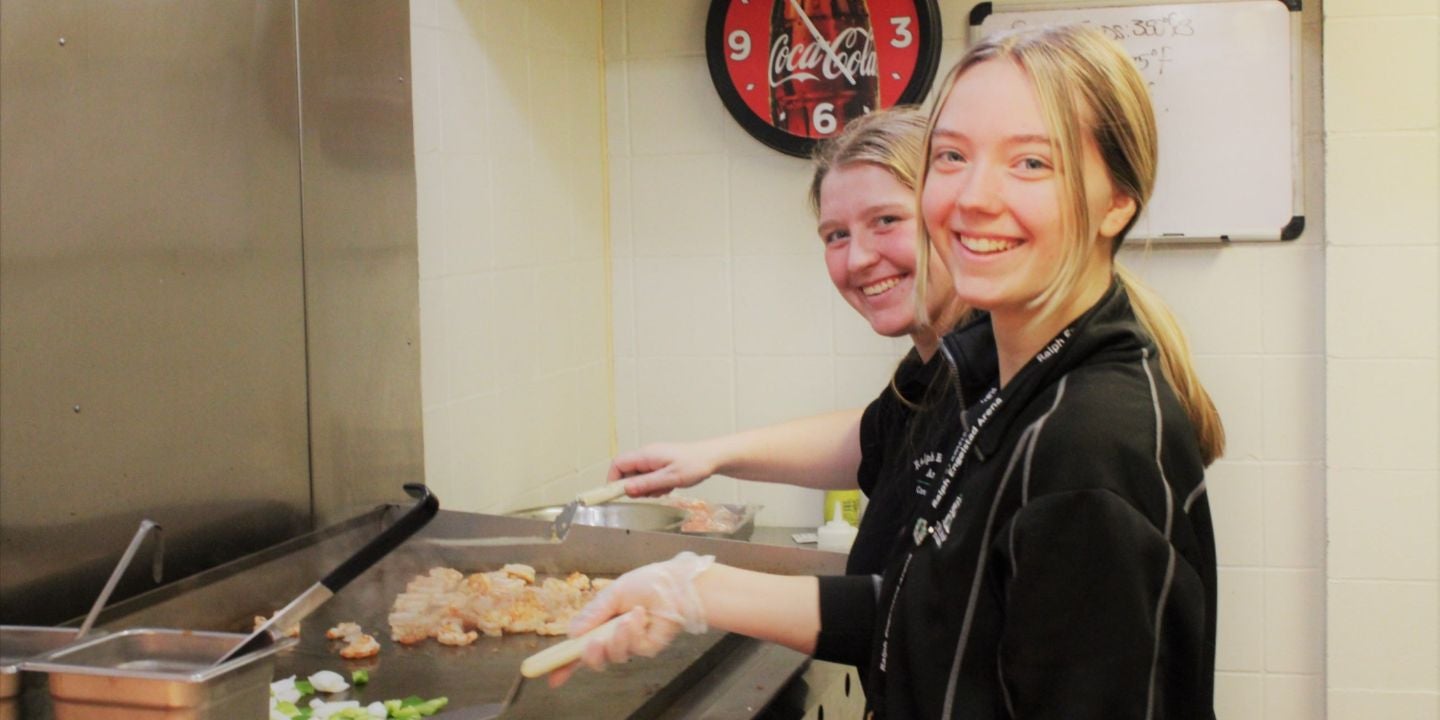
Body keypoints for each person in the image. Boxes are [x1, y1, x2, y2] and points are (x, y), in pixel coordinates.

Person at [555, 24, 1223, 719]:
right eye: (953, 156)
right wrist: (692, 589)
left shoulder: (1086, 447)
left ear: (1117, 200)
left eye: (1030, 163)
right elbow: (926, 612)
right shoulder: (995, 384)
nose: (972, 198)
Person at [609, 107, 976, 576]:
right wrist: (707, 457)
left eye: (886, 220)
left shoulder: (996, 377)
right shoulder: (928, 374)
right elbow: (872, 439)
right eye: (836, 235)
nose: (858, 259)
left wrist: (694, 590)